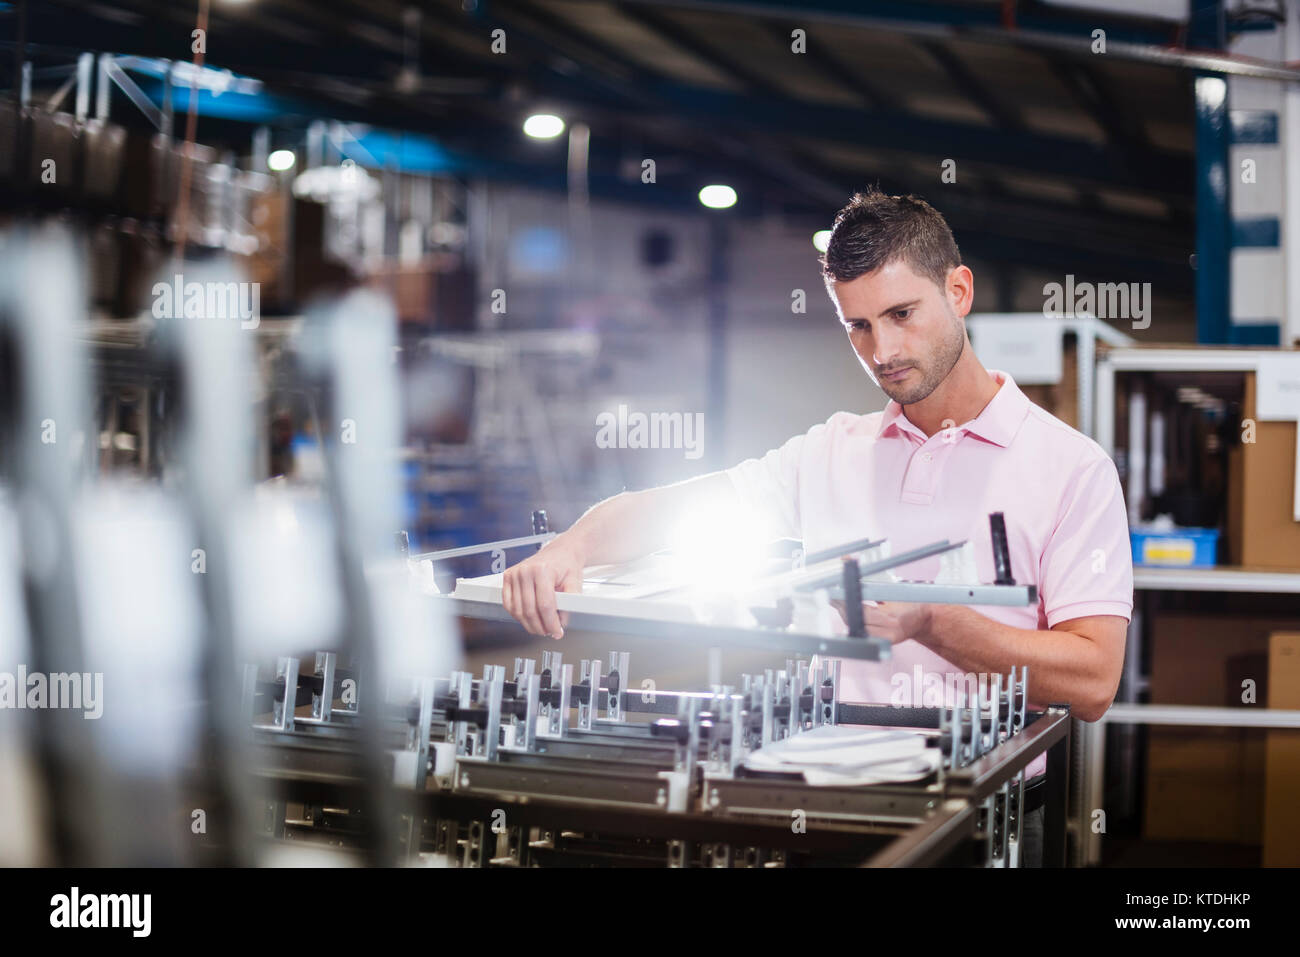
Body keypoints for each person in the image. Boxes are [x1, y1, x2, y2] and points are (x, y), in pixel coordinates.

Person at [501, 189, 1133, 867]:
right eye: (857, 326)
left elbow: (1094, 678)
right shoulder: (830, 453)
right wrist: (574, 543)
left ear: (959, 290)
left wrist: (935, 622)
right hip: (835, 810)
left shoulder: (1070, 468)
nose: (882, 349)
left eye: (901, 314)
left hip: (988, 817)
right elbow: (678, 507)